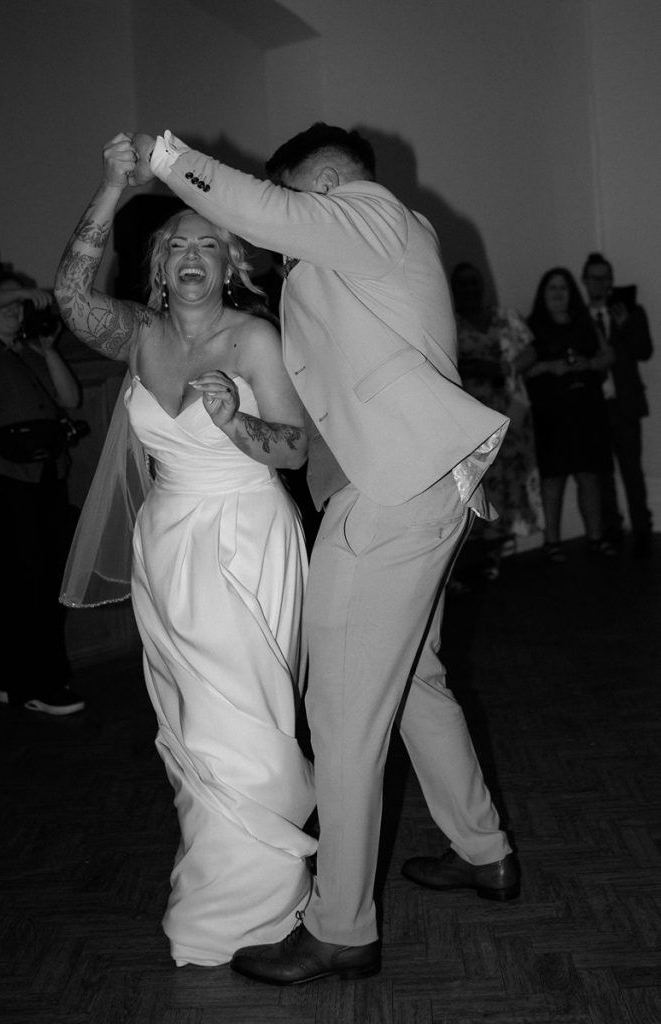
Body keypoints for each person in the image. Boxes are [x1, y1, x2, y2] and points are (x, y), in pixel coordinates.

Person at [130, 121, 519, 986]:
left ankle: (339, 926)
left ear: (328, 178)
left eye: (298, 193)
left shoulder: (371, 212)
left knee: (340, 713)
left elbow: (263, 213)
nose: (294, 211)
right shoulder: (355, 260)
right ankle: (482, 849)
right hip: (408, 487)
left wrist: (164, 160)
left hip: (388, 497)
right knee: (413, 682)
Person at [54, 134, 317, 967]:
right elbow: (68, 294)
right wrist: (110, 190)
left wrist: (235, 421)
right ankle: (216, 890)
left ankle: (267, 902)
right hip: (167, 549)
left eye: (210, 242)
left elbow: (293, 452)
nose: (193, 254)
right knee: (195, 731)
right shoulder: (136, 335)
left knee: (243, 725)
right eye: (177, 246)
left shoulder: (253, 341)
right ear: (159, 269)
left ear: (230, 261)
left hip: (245, 538)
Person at [0, 267, 85, 714]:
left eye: (18, 304)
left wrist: (50, 350)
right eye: (2, 303)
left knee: (44, 586)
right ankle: (41, 685)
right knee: (20, 589)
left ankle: (14, 682)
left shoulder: (28, 351)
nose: (12, 310)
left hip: (44, 484)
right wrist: (22, 288)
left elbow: (72, 400)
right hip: (2, 486)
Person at [451, 262, 542, 580]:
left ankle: (503, 553)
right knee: (481, 483)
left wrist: (502, 368)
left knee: (511, 481)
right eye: (461, 284)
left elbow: (531, 351)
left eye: (473, 283)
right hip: (473, 423)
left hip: (510, 416)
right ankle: (478, 558)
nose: (469, 289)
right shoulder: (450, 324)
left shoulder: (506, 318)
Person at [525, 267, 615, 563]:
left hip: (587, 409)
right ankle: (552, 541)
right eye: (553, 288)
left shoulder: (585, 323)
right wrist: (552, 367)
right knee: (554, 478)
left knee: (589, 475)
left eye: (564, 288)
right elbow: (522, 370)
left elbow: (607, 357)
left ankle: (595, 537)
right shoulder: (532, 327)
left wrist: (587, 363)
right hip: (552, 412)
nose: (559, 293)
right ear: (543, 293)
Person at [581, 253, 654, 557]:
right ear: (585, 281)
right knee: (602, 473)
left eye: (605, 277)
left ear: (611, 281)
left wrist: (623, 327)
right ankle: (613, 527)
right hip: (594, 406)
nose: (600, 283)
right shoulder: (579, 317)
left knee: (631, 470)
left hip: (625, 403)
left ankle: (642, 529)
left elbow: (644, 351)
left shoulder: (632, 312)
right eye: (594, 277)